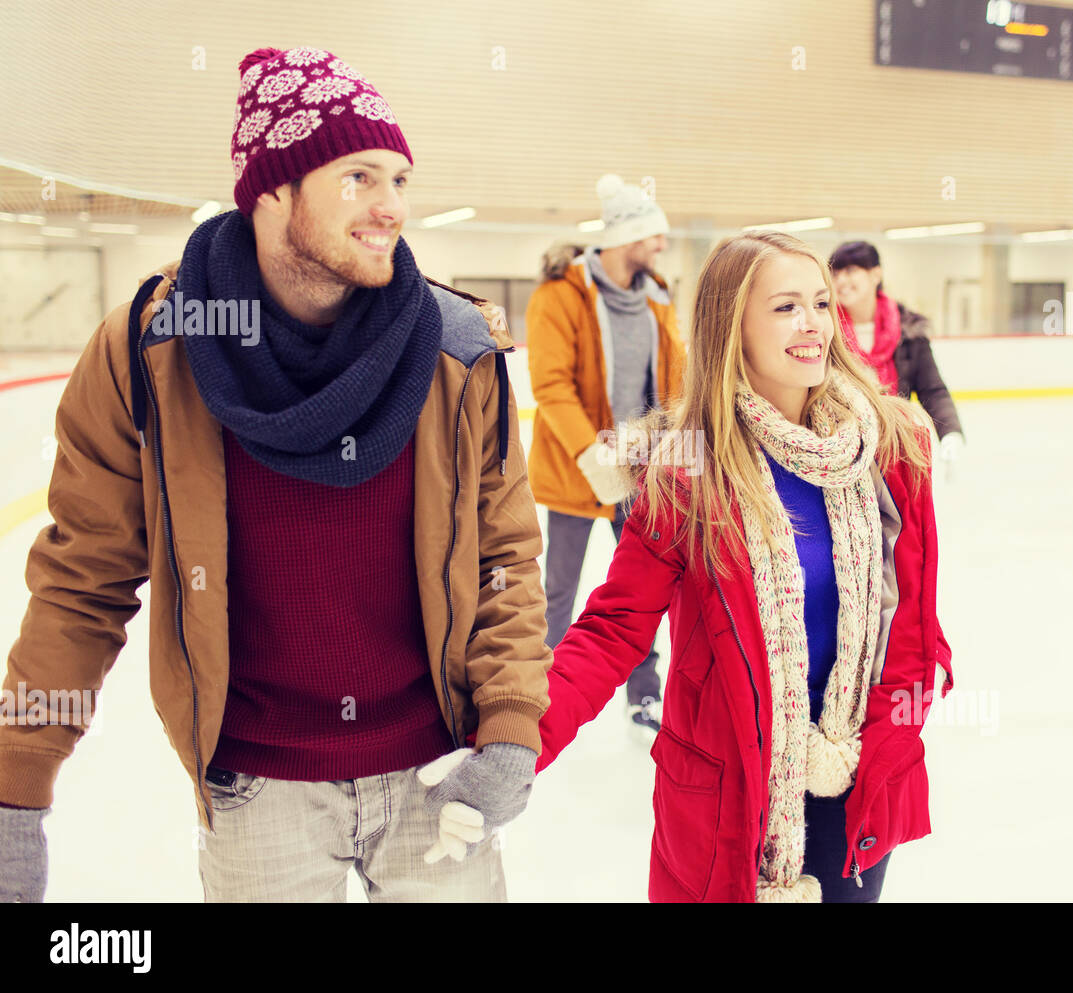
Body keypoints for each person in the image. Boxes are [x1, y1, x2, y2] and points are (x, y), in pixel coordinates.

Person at [0, 46, 549, 903]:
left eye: (400, 179)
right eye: (360, 177)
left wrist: (511, 724)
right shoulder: (154, 351)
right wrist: (15, 784)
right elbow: (83, 579)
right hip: (257, 794)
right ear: (273, 189)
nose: (391, 206)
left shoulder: (455, 350)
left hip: (437, 777)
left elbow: (504, 558)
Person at [533, 230, 955, 902]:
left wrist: (892, 740)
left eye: (820, 302)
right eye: (786, 307)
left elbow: (914, 626)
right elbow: (615, 627)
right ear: (733, 327)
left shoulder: (892, 451)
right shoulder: (689, 470)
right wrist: (520, 736)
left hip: (859, 782)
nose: (813, 322)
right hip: (732, 795)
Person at [525, 174, 686, 742]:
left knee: (641, 592)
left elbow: (672, 378)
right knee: (559, 591)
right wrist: (591, 450)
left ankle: (645, 696)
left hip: (641, 468)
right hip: (581, 467)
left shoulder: (657, 297)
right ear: (627, 237)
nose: (662, 246)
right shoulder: (560, 296)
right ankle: (536, 700)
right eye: (654, 235)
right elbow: (551, 384)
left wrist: (670, 441)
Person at [829, 240, 965, 477]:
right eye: (835, 272)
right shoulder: (826, 330)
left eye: (850, 271)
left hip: (895, 449)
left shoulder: (909, 330)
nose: (841, 281)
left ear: (875, 275)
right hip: (842, 451)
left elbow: (932, 390)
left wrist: (950, 433)